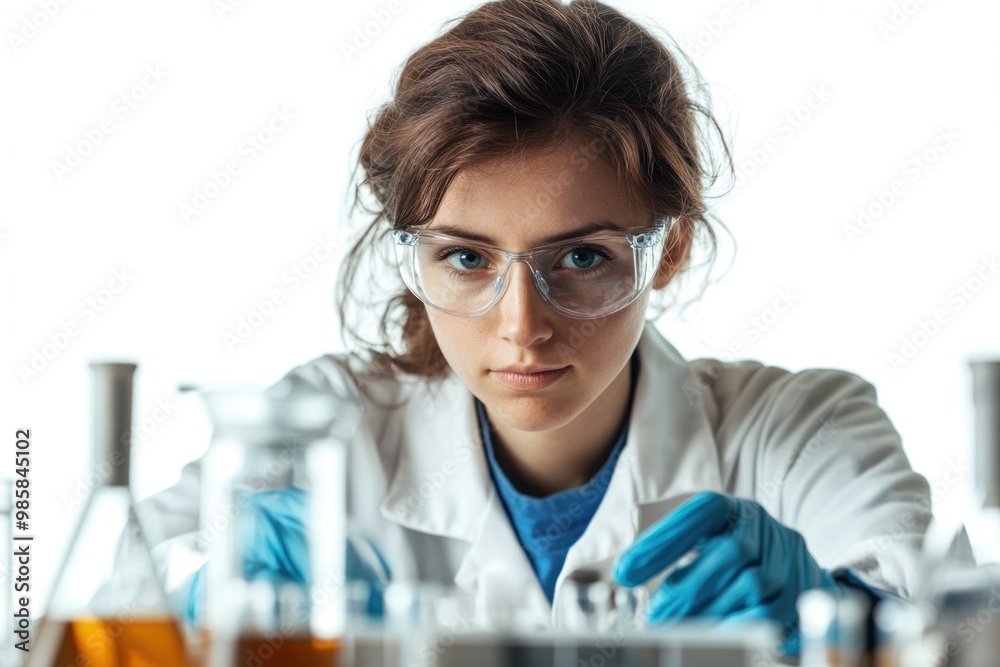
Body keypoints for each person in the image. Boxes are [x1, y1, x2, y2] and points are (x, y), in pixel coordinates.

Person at [137, 0, 936, 656]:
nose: (523, 325)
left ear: (670, 248)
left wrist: (850, 622)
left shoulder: (797, 434)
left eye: (583, 256)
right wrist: (199, 598)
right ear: (416, 256)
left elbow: (961, 631)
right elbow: (67, 610)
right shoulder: (320, 433)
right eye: (466, 258)